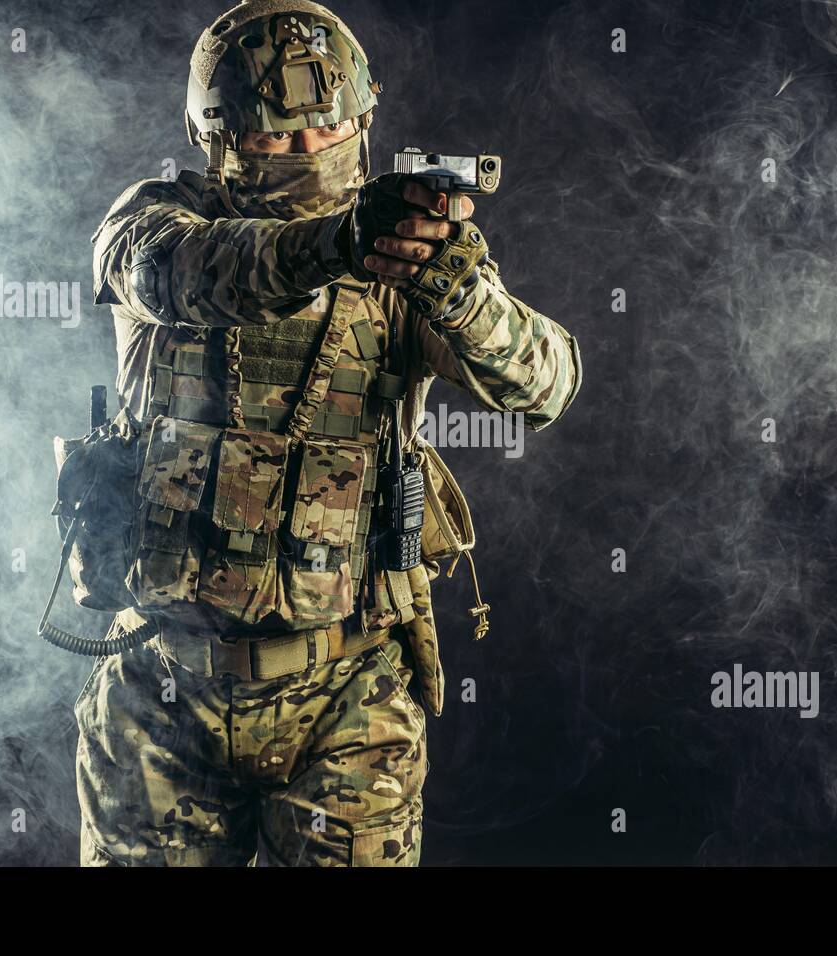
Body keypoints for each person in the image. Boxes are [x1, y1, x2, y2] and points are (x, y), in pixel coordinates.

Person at [75, 0, 581, 866]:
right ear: (218, 137)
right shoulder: (155, 224)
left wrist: (462, 294)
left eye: (332, 128)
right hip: (165, 691)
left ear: (364, 121)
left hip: (349, 697)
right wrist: (337, 243)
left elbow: (546, 386)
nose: (312, 153)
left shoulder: (400, 254)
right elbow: (187, 277)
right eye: (279, 138)